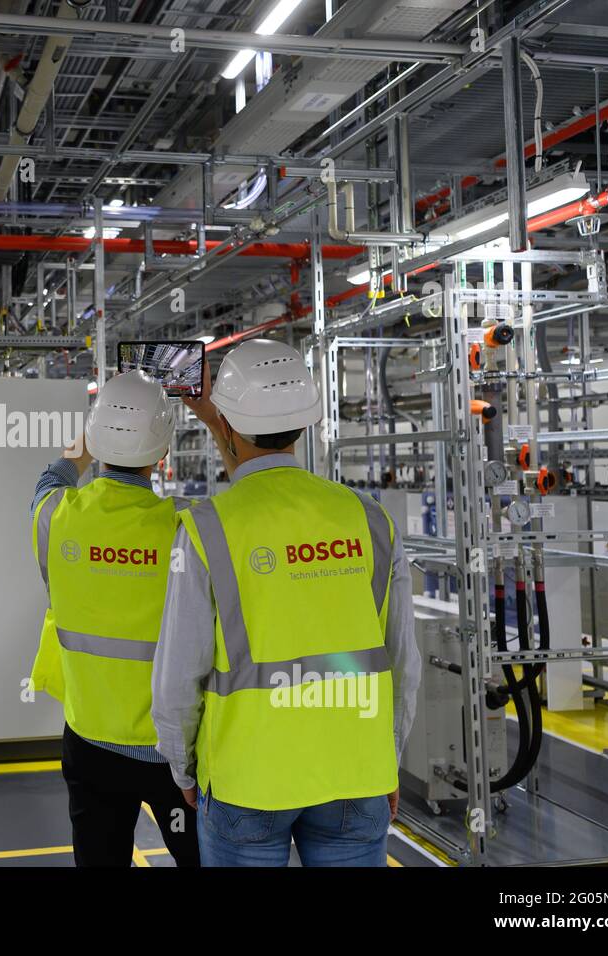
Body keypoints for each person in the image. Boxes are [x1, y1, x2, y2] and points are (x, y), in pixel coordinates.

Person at [151, 340, 421, 867]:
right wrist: (384, 759)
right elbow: (403, 662)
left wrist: (183, 770)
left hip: (247, 778)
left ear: (227, 425)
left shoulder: (208, 527)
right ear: (306, 425)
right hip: (355, 770)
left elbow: (176, 679)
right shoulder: (370, 520)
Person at [30, 370, 204, 867]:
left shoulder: (54, 517)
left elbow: (53, 477)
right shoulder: (187, 529)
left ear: (95, 439)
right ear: (162, 455)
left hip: (90, 742)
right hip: (173, 752)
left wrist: (91, 437)